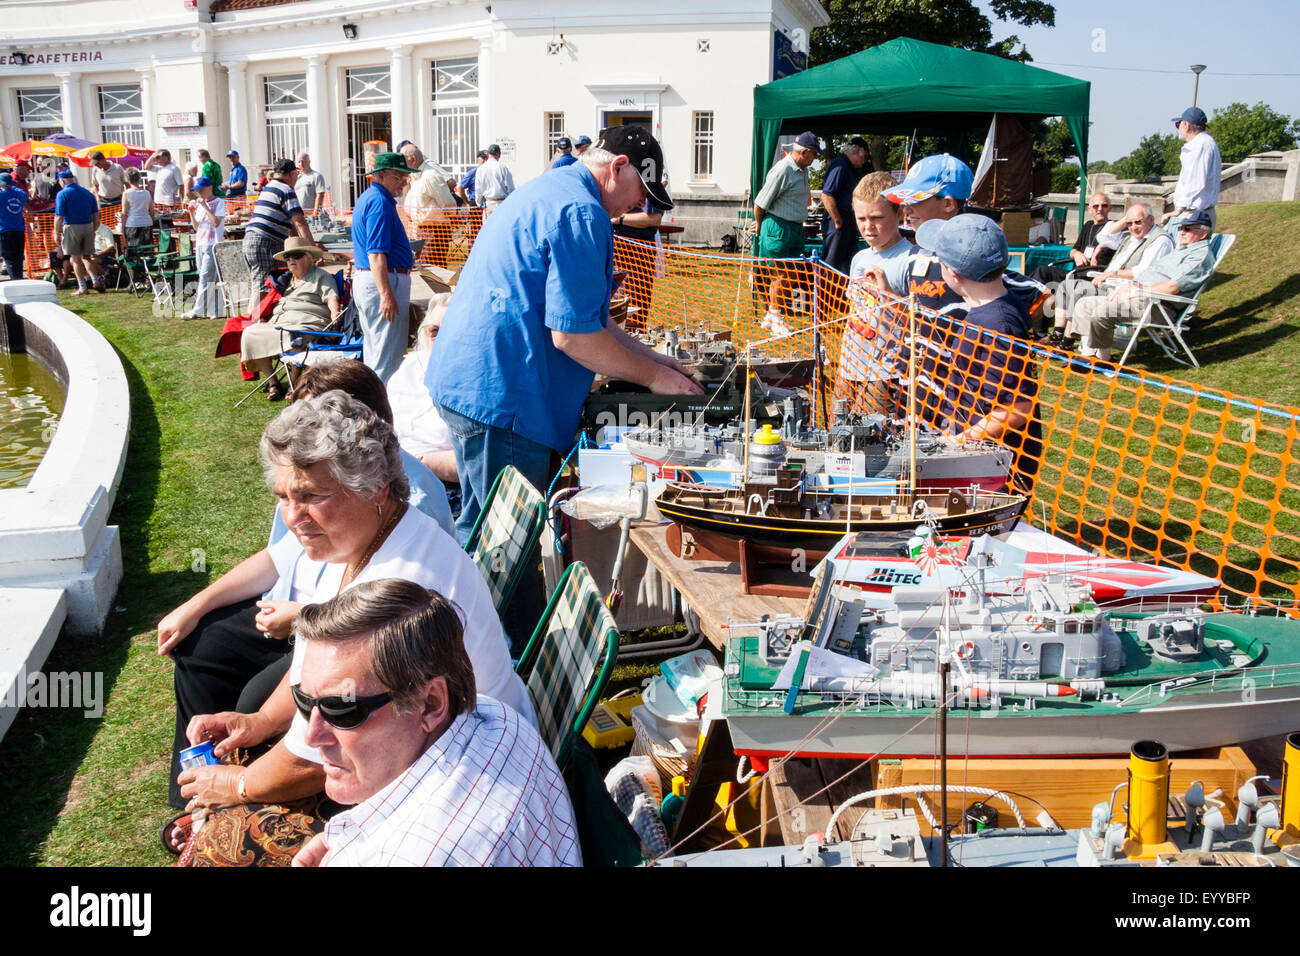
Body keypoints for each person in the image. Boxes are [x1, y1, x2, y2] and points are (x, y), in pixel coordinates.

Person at [160, 392, 525, 828]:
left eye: (310, 495)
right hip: (415, 758)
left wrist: (239, 786)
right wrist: (258, 722)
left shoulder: (394, 589)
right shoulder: (367, 541)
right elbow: (312, 678)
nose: (293, 517)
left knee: (232, 842)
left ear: (373, 488)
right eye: (283, 497)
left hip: (455, 788)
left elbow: (318, 758)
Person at [429, 126, 701, 651]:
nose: (637, 207)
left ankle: (467, 652)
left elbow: (588, 319)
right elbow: (572, 336)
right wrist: (658, 379)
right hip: (504, 395)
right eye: (641, 193)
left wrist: (653, 357)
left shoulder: (552, 190)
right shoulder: (582, 212)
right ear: (619, 167)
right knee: (506, 553)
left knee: (482, 533)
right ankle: (508, 671)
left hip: (479, 383)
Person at [289, 579, 580, 867]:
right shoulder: (496, 718)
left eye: (341, 709)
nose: (312, 736)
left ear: (431, 705)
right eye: (304, 700)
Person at [913, 214, 1037, 455]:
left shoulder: (998, 324)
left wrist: (959, 441)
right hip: (974, 447)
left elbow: (1018, 407)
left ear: (952, 274)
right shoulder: (998, 306)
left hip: (993, 465)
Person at [1066, 210, 1216, 362]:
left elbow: (1172, 287)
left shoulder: (1200, 257)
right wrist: (1129, 287)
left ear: (1203, 233)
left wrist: (1136, 291)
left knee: (1102, 311)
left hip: (1158, 306)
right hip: (1143, 298)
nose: (1182, 232)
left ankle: (1101, 361)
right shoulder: (1183, 250)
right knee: (1084, 304)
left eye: (1187, 229)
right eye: (1181, 228)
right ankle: (1092, 356)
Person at [1041, 201, 1173, 345]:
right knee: (1066, 286)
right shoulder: (1131, 237)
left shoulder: (1160, 241)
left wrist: (1112, 274)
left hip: (1127, 291)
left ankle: (1067, 342)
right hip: (1110, 284)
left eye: (1138, 222)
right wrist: (1125, 220)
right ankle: (1057, 335)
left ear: (1151, 220)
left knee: (1078, 292)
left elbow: (1143, 272)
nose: (1133, 227)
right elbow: (1103, 236)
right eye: (1129, 223)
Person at [837, 171, 916, 406]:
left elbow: (918, 323)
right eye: (861, 219)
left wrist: (886, 292)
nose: (868, 227)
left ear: (900, 212)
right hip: (850, 365)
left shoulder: (911, 259)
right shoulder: (859, 258)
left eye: (877, 218)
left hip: (885, 372)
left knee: (872, 440)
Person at [239, 237, 339, 398]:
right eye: (288, 257)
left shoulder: (321, 276)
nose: (291, 260)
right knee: (249, 333)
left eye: (297, 255)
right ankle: (274, 383)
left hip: (308, 322)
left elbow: (331, 298)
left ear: (309, 257)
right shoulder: (285, 280)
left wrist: (335, 312)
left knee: (293, 337)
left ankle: (295, 385)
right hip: (280, 322)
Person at [352, 151, 417, 383]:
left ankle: (375, 410)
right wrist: (386, 294)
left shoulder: (371, 198)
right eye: (398, 176)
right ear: (380, 175)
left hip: (375, 279)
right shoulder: (379, 202)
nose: (403, 182)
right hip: (383, 280)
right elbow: (376, 253)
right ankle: (382, 413)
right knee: (387, 359)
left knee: (377, 352)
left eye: (404, 177)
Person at [388, 292, 459, 488]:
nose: (442, 338)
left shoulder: (475, 384)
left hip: (438, 484)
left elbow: (472, 464)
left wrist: (414, 462)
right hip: (391, 472)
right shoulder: (410, 367)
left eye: (451, 330)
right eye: (435, 330)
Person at [750, 131, 818, 333]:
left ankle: (773, 315)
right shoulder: (782, 170)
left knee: (789, 274)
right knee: (780, 274)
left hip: (794, 228)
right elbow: (760, 203)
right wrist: (759, 224)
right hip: (778, 227)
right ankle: (775, 315)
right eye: (814, 154)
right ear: (804, 152)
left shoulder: (802, 169)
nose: (815, 159)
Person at [242, 157, 315, 317]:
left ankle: (257, 324)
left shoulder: (269, 187)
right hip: (264, 243)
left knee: (262, 285)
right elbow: (299, 222)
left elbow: (290, 227)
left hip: (252, 241)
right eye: (296, 175)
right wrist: (313, 250)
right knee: (261, 287)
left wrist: (298, 246)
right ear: (292, 174)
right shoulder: (286, 190)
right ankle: (249, 329)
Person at [1030, 193, 1116, 287]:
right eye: (1096, 206)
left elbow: (1125, 223)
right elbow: (1073, 250)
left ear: (1110, 208)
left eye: (1104, 205)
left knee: (1043, 272)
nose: (1100, 209)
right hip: (1078, 272)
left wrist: (1099, 248)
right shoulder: (1088, 225)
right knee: (1040, 272)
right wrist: (1076, 254)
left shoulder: (1113, 227)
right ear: (1089, 209)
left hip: (1093, 275)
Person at [611, 193, 666, 323]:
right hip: (614, 250)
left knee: (633, 306)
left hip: (637, 255)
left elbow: (654, 218)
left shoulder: (650, 177)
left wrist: (619, 219)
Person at [1164, 107, 1221, 231]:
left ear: (1187, 125)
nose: (1178, 128)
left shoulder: (1200, 146)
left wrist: (1179, 210)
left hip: (1194, 215)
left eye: (1178, 124)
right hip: (1196, 213)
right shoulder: (1205, 143)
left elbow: (1197, 182)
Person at [818, 137, 869, 274]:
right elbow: (827, 195)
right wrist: (838, 222)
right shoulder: (840, 166)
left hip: (846, 224)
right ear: (857, 151)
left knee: (847, 264)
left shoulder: (848, 168)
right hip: (838, 225)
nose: (864, 162)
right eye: (864, 157)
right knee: (831, 265)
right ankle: (825, 294)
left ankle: (843, 293)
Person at [53, 168, 104, 295]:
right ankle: (95, 280)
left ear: (62, 181)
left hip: (71, 227)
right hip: (88, 226)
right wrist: (93, 229)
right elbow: (96, 216)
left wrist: (56, 232)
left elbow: (59, 216)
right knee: (87, 257)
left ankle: (82, 287)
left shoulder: (62, 194)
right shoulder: (87, 193)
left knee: (75, 259)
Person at [184, 176, 225, 319]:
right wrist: (191, 212)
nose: (199, 193)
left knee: (205, 277)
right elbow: (197, 227)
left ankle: (198, 310)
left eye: (201, 190)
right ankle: (216, 310)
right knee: (207, 277)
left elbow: (215, 223)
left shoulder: (219, 202)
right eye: (197, 191)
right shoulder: (200, 205)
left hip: (212, 244)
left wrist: (205, 206)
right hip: (200, 243)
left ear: (209, 188)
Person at [120, 168, 156, 256]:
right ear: (139, 178)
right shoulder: (147, 193)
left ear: (128, 180)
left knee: (133, 252)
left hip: (132, 224)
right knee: (147, 251)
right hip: (146, 222)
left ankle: (135, 269)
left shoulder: (126, 193)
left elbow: (124, 213)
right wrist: (151, 222)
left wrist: (122, 227)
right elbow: (152, 211)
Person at [0, 172, 29, 280]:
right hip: (19, 229)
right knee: (18, 257)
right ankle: (19, 278)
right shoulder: (20, 194)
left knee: (9, 258)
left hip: (5, 230)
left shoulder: (1, 195)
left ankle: (15, 280)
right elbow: (21, 192)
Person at [474, 143, 514, 213]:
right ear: (499, 154)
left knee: (489, 223)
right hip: (502, 203)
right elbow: (510, 187)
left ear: (488, 154)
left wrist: (479, 203)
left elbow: (478, 189)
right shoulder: (502, 167)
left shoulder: (481, 169)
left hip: (488, 204)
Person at [293, 152, 328, 218]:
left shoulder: (316, 176)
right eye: (299, 162)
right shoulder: (297, 177)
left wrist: (315, 213)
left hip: (310, 215)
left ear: (309, 162)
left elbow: (320, 195)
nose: (301, 164)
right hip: (298, 214)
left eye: (303, 161)